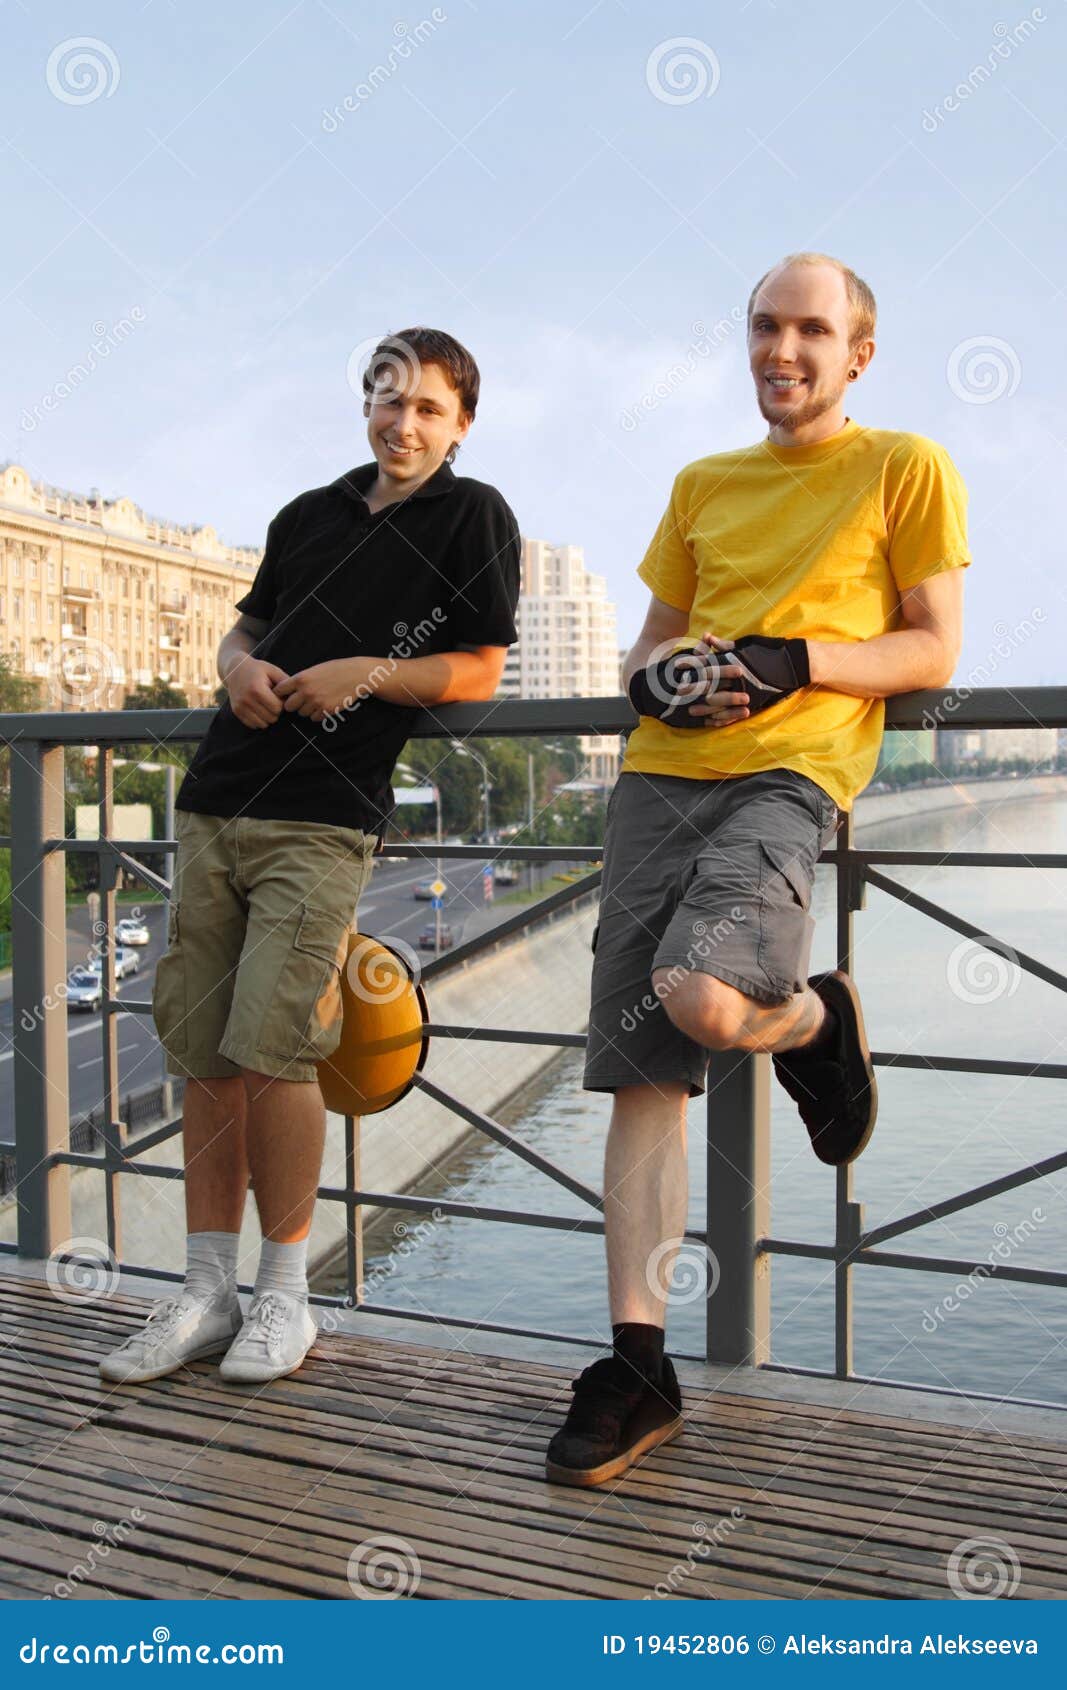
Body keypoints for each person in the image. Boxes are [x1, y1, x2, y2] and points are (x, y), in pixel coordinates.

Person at [546, 252, 970, 1488]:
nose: (781, 350)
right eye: (762, 328)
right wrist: (660, 682)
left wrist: (793, 662)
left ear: (857, 354)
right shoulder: (698, 482)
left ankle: (810, 1018)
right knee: (640, 1071)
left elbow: (932, 647)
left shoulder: (902, 466)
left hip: (789, 778)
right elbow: (646, 650)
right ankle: (638, 1367)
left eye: (808, 330)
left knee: (704, 998)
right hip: (655, 778)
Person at [99, 328, 520, 1387]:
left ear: (460, 422)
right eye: (387, 398)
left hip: (323, 817)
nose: (403, 420)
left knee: (278, 1047)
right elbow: (240, 633)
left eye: (427, 406)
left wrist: (367, 673)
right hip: (216, 798)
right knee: (199, 1049)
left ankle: (285, 1297)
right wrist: (238, 670)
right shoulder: (306, 514)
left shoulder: (473, 515)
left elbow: (476, 672)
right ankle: (205, 1291)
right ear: (365, 405)